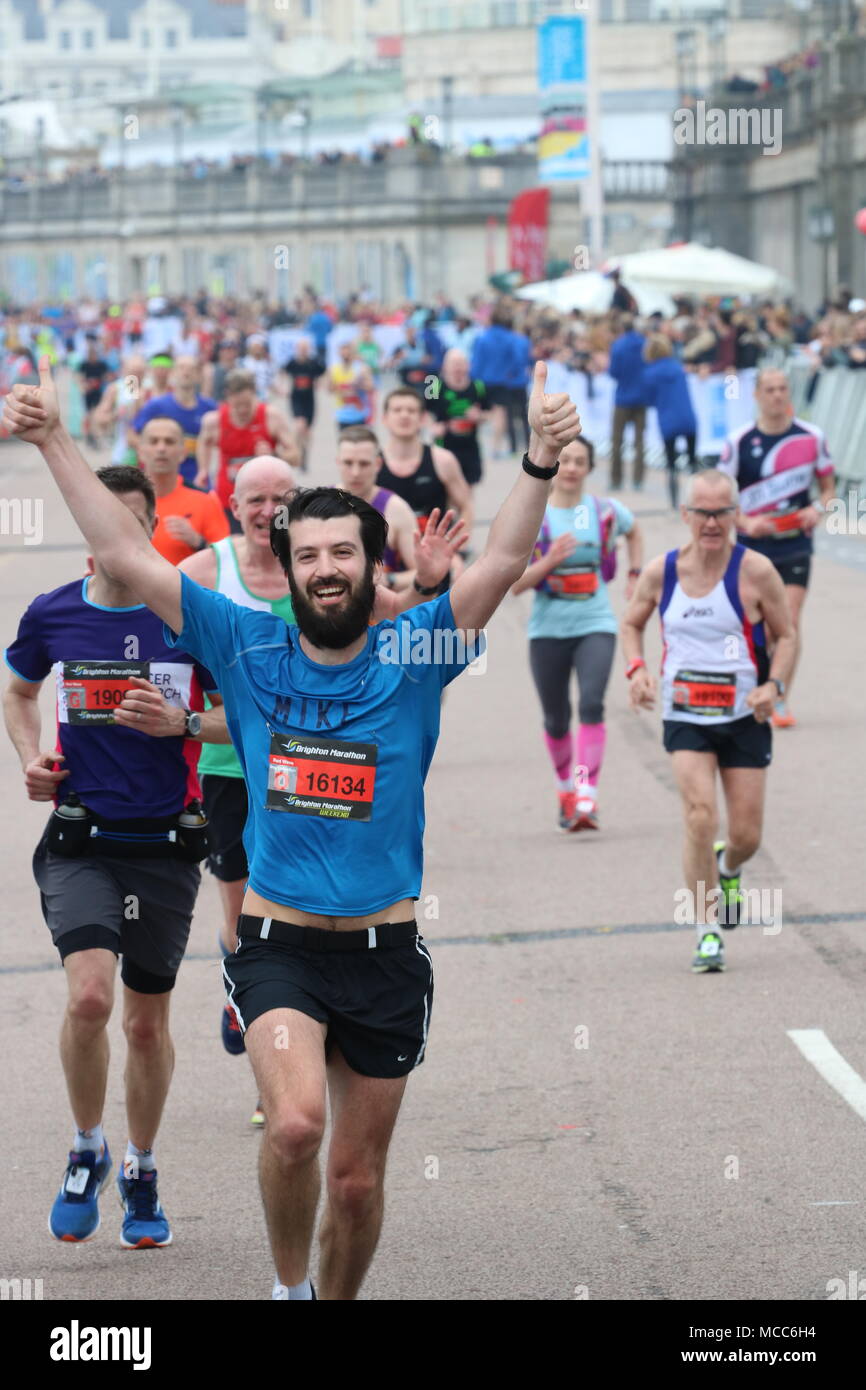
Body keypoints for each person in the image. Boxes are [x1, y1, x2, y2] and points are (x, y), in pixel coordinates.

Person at [5, 354, 580, 1301]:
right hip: (278, 944)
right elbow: (127, 553)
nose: (323, 568)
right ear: (289, 565)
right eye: (307, 553)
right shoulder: (245, 641)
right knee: (296, 1127)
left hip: (386, 952)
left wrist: (539, 461)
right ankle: (286, 1288)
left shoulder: (416, 650)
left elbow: (504, 565)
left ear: (367, 563)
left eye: (341, 552)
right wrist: (53, 437)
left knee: (353, 1184)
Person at [2, 464, 226, 1246]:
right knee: (91, 998)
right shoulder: (55, 613)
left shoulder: (188, 620)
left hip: (163, 846)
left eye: (128, 527)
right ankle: (86, 1145)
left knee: (143, 1024)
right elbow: (18, 688)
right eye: (100, 527)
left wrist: (184, 727)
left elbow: (250, 714)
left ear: (151, 531)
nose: (111, 542)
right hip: (81, 840)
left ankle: (139, 1164)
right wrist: (30, 758)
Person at [621, 469, 795, 973]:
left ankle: (729, 865)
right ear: (686, 515)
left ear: (735, 514)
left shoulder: (756, 571)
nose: (712, 522)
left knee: (746, 835)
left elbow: (787, 635)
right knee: (700, 816)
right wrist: (636, 670)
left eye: (722, 511)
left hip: (744, 716)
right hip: (686, 716)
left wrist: (774, 686)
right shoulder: (663, 572)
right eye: (703, 512)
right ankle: (707, 929)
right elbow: (632, 623)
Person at [511, 436, 642, 831]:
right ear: (554, 465)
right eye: (564, 460)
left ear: (588, 468)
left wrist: (635, 573)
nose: (570, 468)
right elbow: (515, 585)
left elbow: (634, 531)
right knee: (556, 718)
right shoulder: (536, 516)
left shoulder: (604, 511)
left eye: (579, 461)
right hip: (547, 629)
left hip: (595, 623)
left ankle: (587, 796)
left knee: (591, 705)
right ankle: (565, 788)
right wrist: (549, 561)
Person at [717, 368, 835, 728]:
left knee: (789, 621)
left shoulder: (812, 437)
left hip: (795, 544)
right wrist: (744, 522)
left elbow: (829, 488)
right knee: (756, 625)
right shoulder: (739, 441)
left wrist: (817, 510)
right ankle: (747, 689)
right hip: (753, 546)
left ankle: (779, 696)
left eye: (783, 388)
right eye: (769, 389)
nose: (777, 395)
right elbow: (721, 496)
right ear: (756, 395)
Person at [195, 369, 299, 529]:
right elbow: (204, 443)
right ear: (227, 396)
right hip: (230, 501)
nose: (243, 410)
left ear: (254, 394)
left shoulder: (271, 416)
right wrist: (203, 469)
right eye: (237, 406)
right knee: (234, 547)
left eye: (247, 404)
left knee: (275, 545)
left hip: (268, 502)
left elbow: (296, 457)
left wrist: (274, 455)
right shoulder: (213, 421)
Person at [376, 387, 473, 559]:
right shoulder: (371, 464)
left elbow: (465, 505)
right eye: (397, 410)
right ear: (385, 419)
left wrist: (458, 549)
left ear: (422, 419)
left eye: (411, 411)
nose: (404, 415)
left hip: (435, 557)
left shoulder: (443, 460)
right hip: (386, 561)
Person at [138, 415, 230, 565]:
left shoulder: (205, 501)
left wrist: (198, 542)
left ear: (183, 452)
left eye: (169, 442)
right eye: (154, 442)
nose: (161, 448)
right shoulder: (124, 502)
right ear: (141, 452)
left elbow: (226, 560)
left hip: (186, 587)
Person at [131, 356, 216, 486]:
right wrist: (154, 452)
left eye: (191, 369)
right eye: (181, 368)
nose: (186, 372)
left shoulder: (210, 408)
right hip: (162, 481)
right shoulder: (156, 406)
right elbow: (132, 436)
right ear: (173, 373)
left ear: (199, 375)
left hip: (198, 481)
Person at [642, 333, 698, 509]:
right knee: (692, 462)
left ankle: (674, 503)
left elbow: (649, 400)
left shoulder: (650, 373)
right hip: (688, 417)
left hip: (667, 420)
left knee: (671, 463)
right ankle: (696, 499)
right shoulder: (677, 368)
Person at [426, 348, 488, 490]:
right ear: (445, 366)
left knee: (468, 489)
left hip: (470, 448)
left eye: (461, 363)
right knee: (445, 490)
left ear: (468, 365)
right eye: (453, 363)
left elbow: (489, 412)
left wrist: (479, 416)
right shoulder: (433, 385)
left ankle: (467, 511)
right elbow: (424, 411)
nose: (457, 367)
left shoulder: (478, 386)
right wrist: (433, 426)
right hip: (443, 447)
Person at [608, 315, 650, 491]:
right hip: (641, 397)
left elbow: (613, 372)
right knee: (639, 442)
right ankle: (638, 480)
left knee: (617, 441)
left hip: (623, 397)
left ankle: (616, 480)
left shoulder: (618, 345)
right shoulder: (644, 343)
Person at [93, 353, 150, 466]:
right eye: (132, 371)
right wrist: (116, 414)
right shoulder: (116, 389)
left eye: (140, 371)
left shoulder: (151, 388)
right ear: (125, 371)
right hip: (122, 454)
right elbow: (99, 419)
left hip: (148, 456)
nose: (136, 375)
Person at [282, 337, 326, 467]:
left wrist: (320, 382)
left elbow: (323, 372)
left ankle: (304, 454)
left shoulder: (313, 363)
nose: (303, 351)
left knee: (307, 431)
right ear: (297, 350)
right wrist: (283, 387)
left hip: (309, 400)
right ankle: (296, 452)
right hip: (296, 399)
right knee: (299, 426)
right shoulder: (292, 363)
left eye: (305, 349)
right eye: (301, 349)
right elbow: (283, 372)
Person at [328, 340, 375, 427]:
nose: (345, 354)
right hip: (342, 414)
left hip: (360, 413)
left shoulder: (362, 368)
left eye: (348, 352)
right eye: (343, 352)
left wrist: (357, 386)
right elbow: (330, 390)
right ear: (339, 353)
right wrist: (339, 388)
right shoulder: (334, 369)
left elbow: (371, 387)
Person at [77, 337, 111, 448]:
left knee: (96, 414)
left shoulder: (101, 365)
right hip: (88, 393)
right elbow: (79, 377)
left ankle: (96, 436)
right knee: (88, 415)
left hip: (98, 392)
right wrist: (84, 385)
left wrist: (102, 382)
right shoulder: (84, 364)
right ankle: (89, 435)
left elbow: (107, 376)